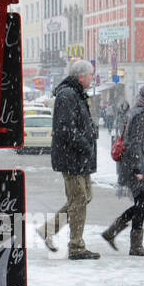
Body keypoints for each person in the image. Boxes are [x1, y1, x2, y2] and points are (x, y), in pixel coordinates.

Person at [43, 59, 101, 259]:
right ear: (81, 76)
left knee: (83, 198)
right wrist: (84, 144)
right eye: (91, 75)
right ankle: (76, 246)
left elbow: (77, 124)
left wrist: (90, 135)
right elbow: (65, 128)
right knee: (78, 200)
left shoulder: (76, 94)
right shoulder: (68, 94)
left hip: (80, 158)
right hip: (72, 158)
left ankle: (48, 230)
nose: (93, 78)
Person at [102, 83, 144, 256]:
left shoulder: (140, 112)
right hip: (135, 164)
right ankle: (132, 243)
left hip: (136, 162)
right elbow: (133, 142)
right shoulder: (141, 114)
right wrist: (138, 169)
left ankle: (115, 233)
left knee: (142, 202)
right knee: (142, 202)